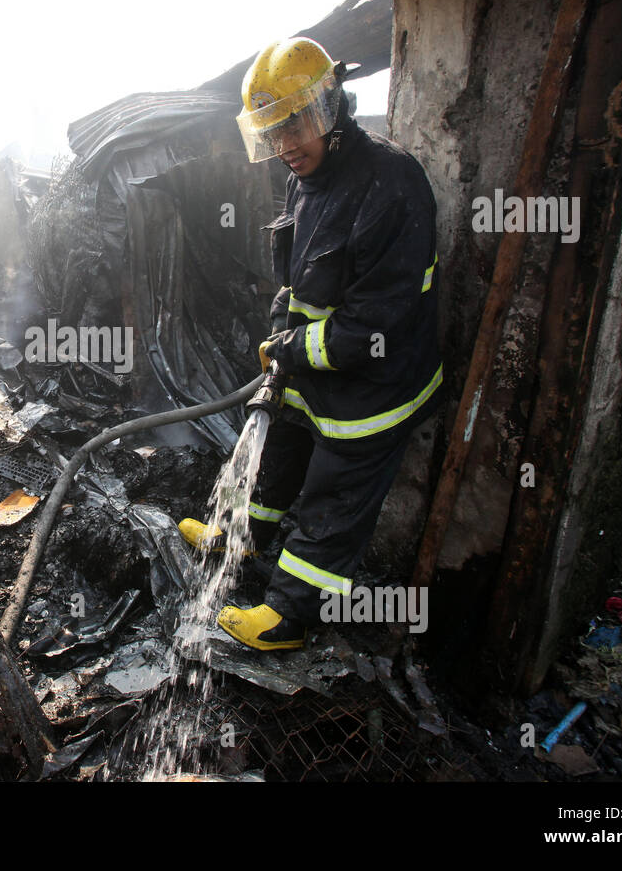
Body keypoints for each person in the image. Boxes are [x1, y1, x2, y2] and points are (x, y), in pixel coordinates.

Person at [179, 37, 444, 650]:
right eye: (272, 132)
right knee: (280, 447)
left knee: (333, 492)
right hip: (322, 363)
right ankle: (241, 540)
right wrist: (282, 329)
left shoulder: (391, 185)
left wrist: (294, 351)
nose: (285, 145)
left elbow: (376, 322)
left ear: (332, 106)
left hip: (378, 383)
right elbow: (304, 275)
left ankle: (290, 617)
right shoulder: (310, 175)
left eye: (296, 123)